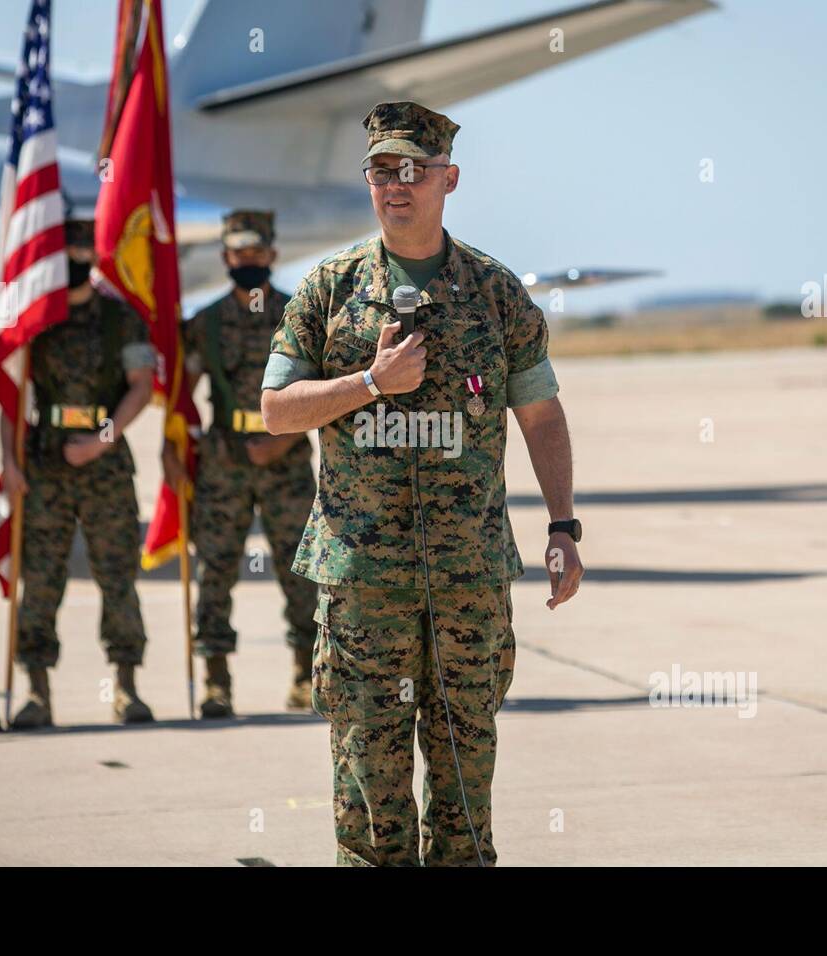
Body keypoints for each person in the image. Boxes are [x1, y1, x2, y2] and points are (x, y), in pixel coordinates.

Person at [261, 101, 585, 865]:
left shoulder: (497, 294)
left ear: (450, 179)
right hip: (364, 584)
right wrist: (369, 382)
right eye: (381, 171)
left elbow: (541, 417)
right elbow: (276, 411)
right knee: (371, 787)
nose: (396, 185)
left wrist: (563, 530)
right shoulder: (330, 290)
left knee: (465, 784)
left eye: (414, 170)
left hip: (467, 577)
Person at [0, 218, 156, 728]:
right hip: (45, 463)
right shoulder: (34, 318)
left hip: (105, 463)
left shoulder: (119, 319)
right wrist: (9, 460)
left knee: (117, 575)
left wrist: (101, 441)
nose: (74, 259)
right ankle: (37, 691)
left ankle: (126, 686)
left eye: (82, 250)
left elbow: (139, 386)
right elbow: (10, 393)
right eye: (65, 250)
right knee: (41, 578)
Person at [162, 210, 317, 718]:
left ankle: (304, 673)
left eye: (256, 253)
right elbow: (180, 395)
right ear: (225, 257)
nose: (247, 261)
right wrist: (173, 448)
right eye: (238, 253)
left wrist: (286, 438)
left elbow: (325, 390)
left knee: (300, 570)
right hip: (224, 461)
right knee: (216, 569)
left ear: (272, 255)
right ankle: (216, 680)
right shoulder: (204, 324)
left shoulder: (301, 314)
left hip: (286, 459)